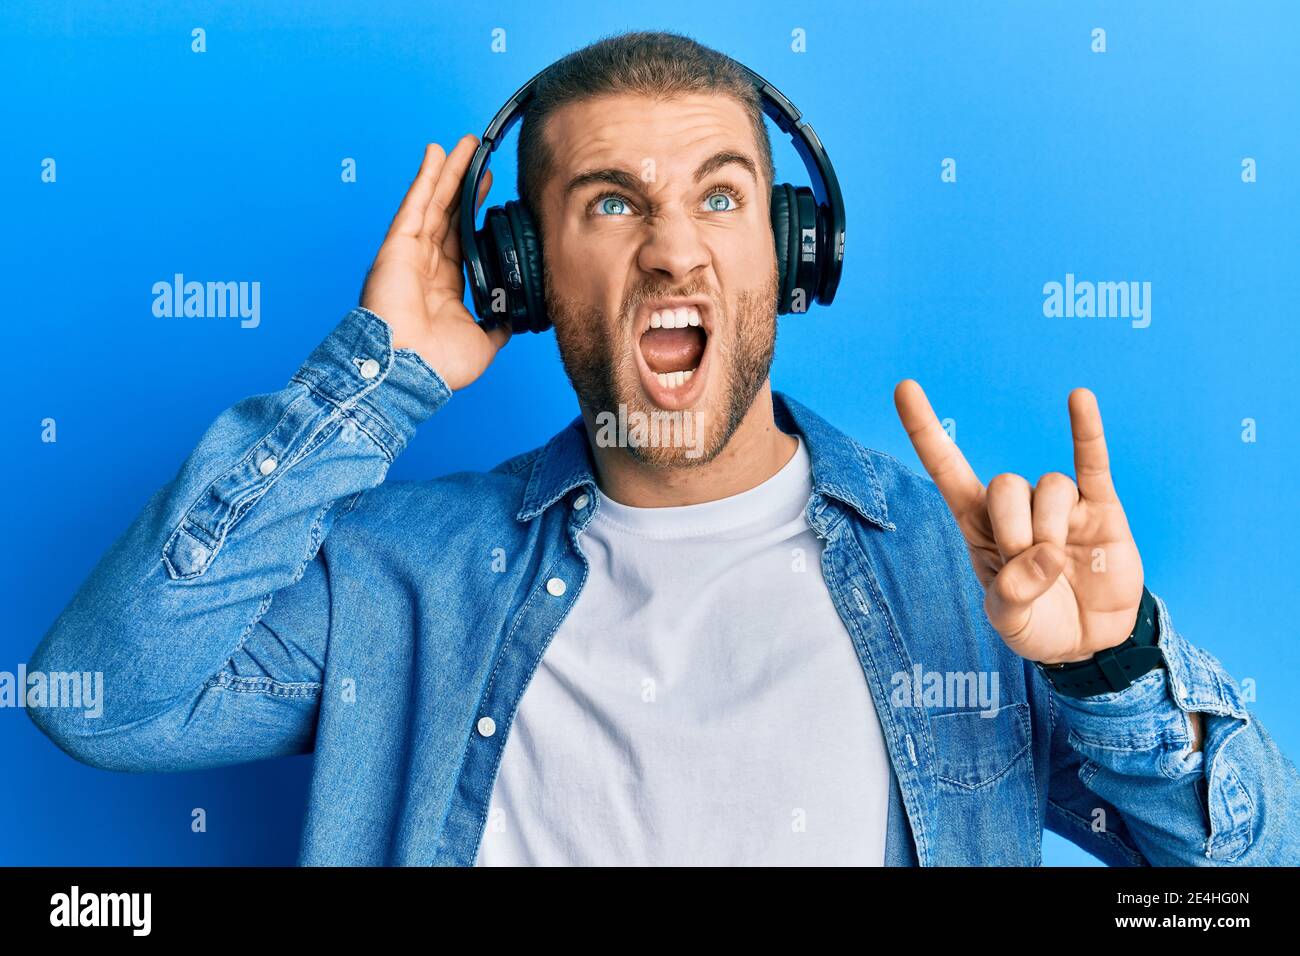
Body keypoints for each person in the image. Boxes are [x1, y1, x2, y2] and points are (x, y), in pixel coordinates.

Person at [26, 30, 1300, 866]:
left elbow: (1240, 875)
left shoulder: (958, 585)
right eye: (612, 202)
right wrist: (377, 374)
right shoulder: (395, 578)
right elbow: (106, 701)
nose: (673, 249)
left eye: (723, 196)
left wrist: (1110, 666)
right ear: (517, 272)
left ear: (793, 254)